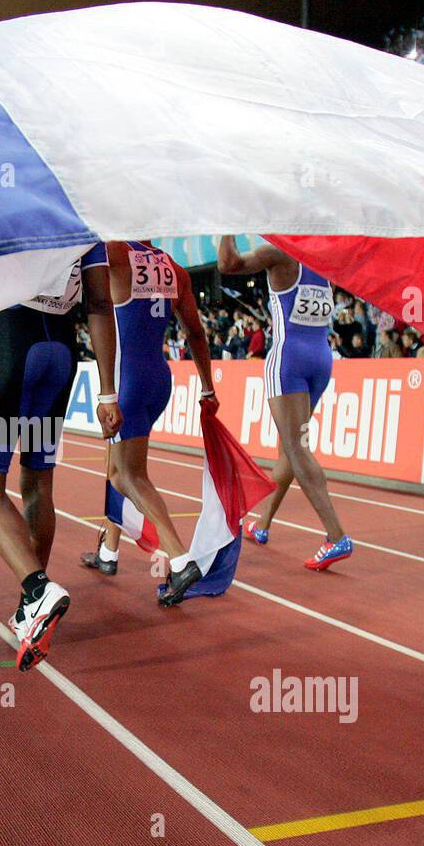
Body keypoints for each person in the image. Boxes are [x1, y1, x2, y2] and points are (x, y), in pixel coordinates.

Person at [0, 244, 121, 672]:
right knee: (38, 484)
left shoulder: (9, 198)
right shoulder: (84, 217)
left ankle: (36, 590)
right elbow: (101, 303)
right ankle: (31, 608)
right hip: (60, 354)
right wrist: (107, 391)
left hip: (13, 345)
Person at [79, 241, 217, 604]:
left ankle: (179, 558)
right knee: (117, 464)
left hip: (127, 383)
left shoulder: (114, 251)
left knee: (129, 474)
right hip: (158, 378)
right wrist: (207, 386)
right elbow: (196, 334)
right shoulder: (175, 268)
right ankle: (108, 552)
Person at [217, 236, 353, 571]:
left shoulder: (278, 253)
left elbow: (227, 265)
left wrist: (224, 228)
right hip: (320, 357)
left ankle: (336, 536)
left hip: (289, 358)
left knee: (295, 447)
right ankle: (262, 524)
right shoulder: (323, 258)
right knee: (291, 449)